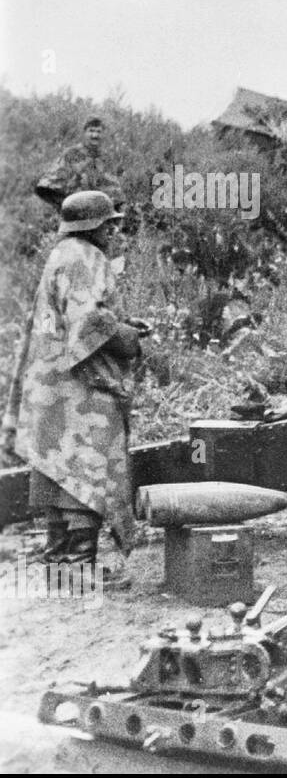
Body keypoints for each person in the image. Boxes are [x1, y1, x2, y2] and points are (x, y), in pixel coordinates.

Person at [1, 191, 147, 585]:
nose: (114, 231)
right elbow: (86, 324)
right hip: (78, 382)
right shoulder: (87, 258)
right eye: (109, 225)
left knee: (56, 464)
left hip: (48, 381)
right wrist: (127, 336)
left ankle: (57, 564)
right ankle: (79, 568)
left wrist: (117, 323)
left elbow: (73, 315)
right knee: (90, 462)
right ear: (96, 226)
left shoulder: (60, 253)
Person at [34, 117, 125, 210]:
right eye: (91, 131)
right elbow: (46, 186)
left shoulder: (106, 158)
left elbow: (115, 195)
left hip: (98, 215)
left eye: (98, 131)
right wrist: (64, 206)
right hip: (74, 214)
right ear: (85, 132)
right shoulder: (71, 154)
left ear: (103, 134)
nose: (95, 135)